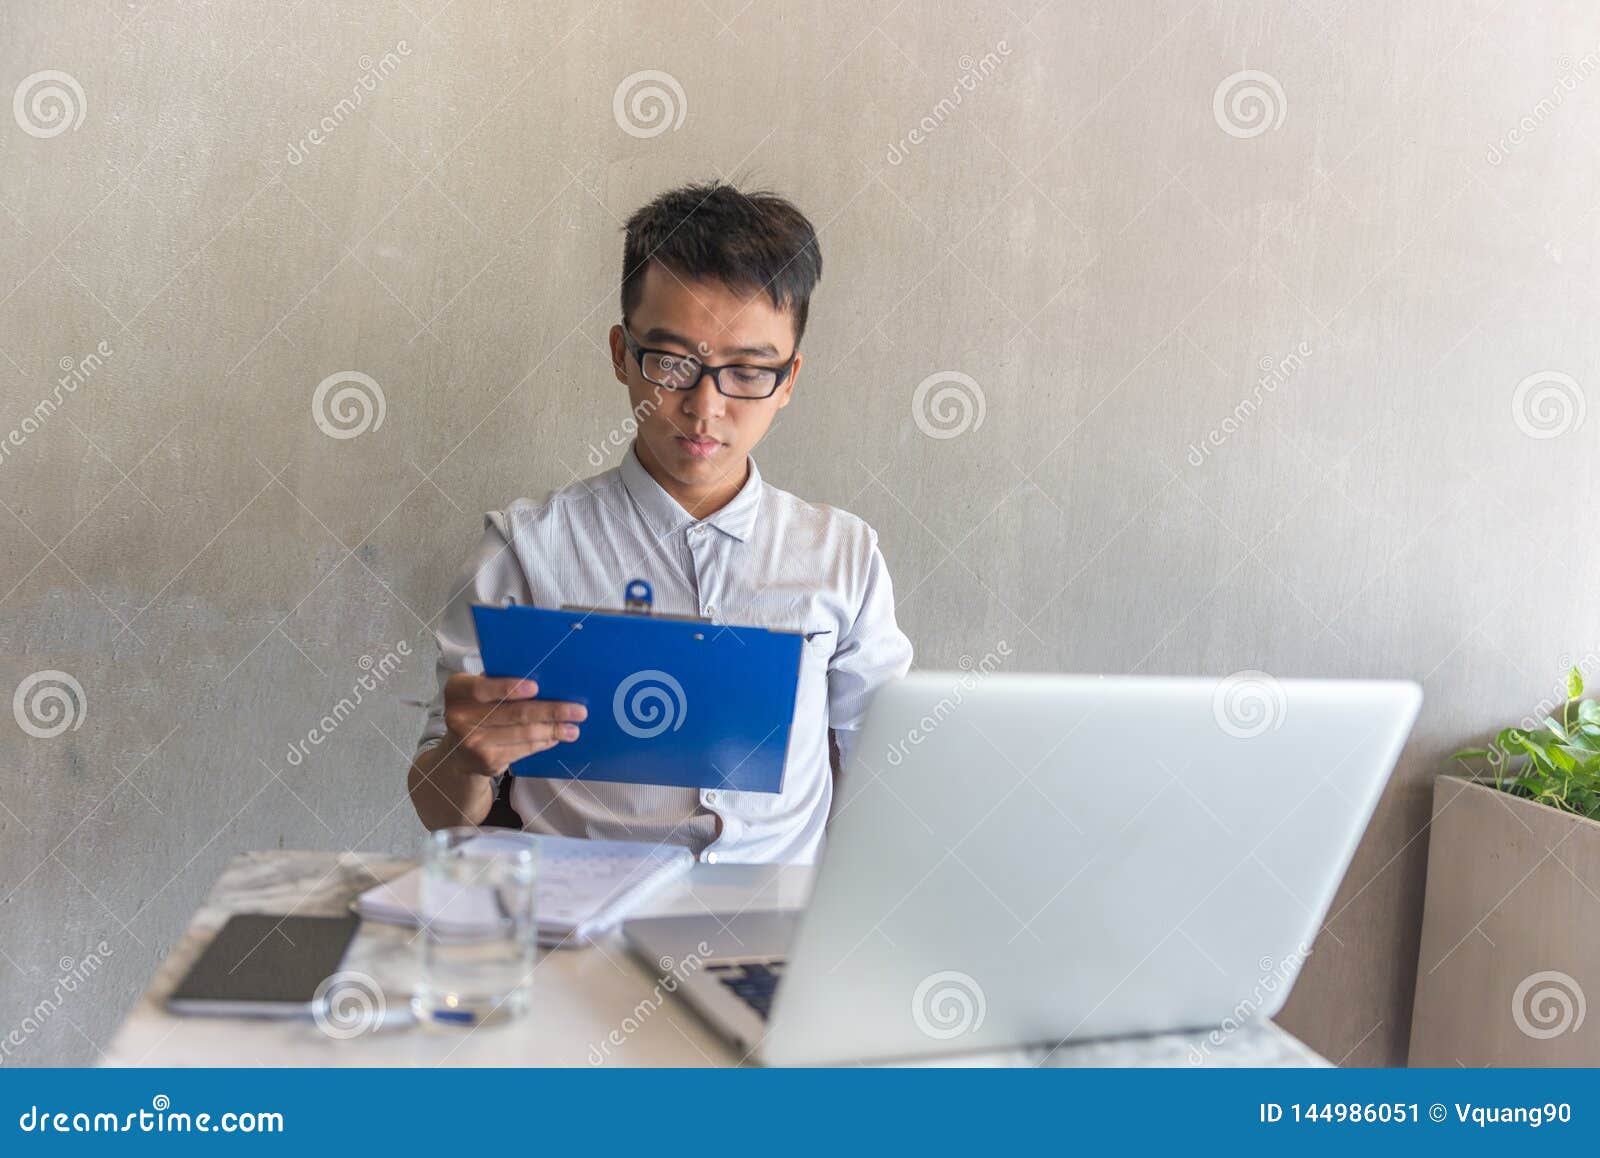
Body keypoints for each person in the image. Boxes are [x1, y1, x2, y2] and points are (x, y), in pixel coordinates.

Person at [406, 180, 913, 864]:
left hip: (777, 915)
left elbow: (888, 776)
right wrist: (465, 759)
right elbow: (441, 811)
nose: (705, 408)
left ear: (789, 379)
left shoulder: (842, 556)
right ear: (622, 354)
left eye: (748, 371)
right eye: (673, 363)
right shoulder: (524, 549)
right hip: (582, 912)